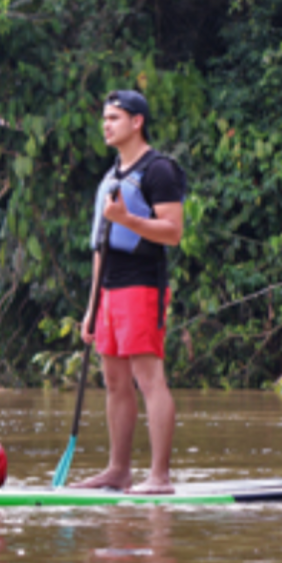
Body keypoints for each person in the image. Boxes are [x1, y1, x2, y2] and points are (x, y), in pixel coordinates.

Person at [73, 89, 187, 495]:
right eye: (104, 118)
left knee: (148, 378)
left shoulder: (159, 170)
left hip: (143, 285)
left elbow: (173, 232)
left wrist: (127, 218)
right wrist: (91, 307)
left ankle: (159, 477)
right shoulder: (111, 177)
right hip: (109, 291)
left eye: (114, 118)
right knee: (116, 382)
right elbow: (101, 246)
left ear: (137, 122)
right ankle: (118, 471)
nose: (106, 125)